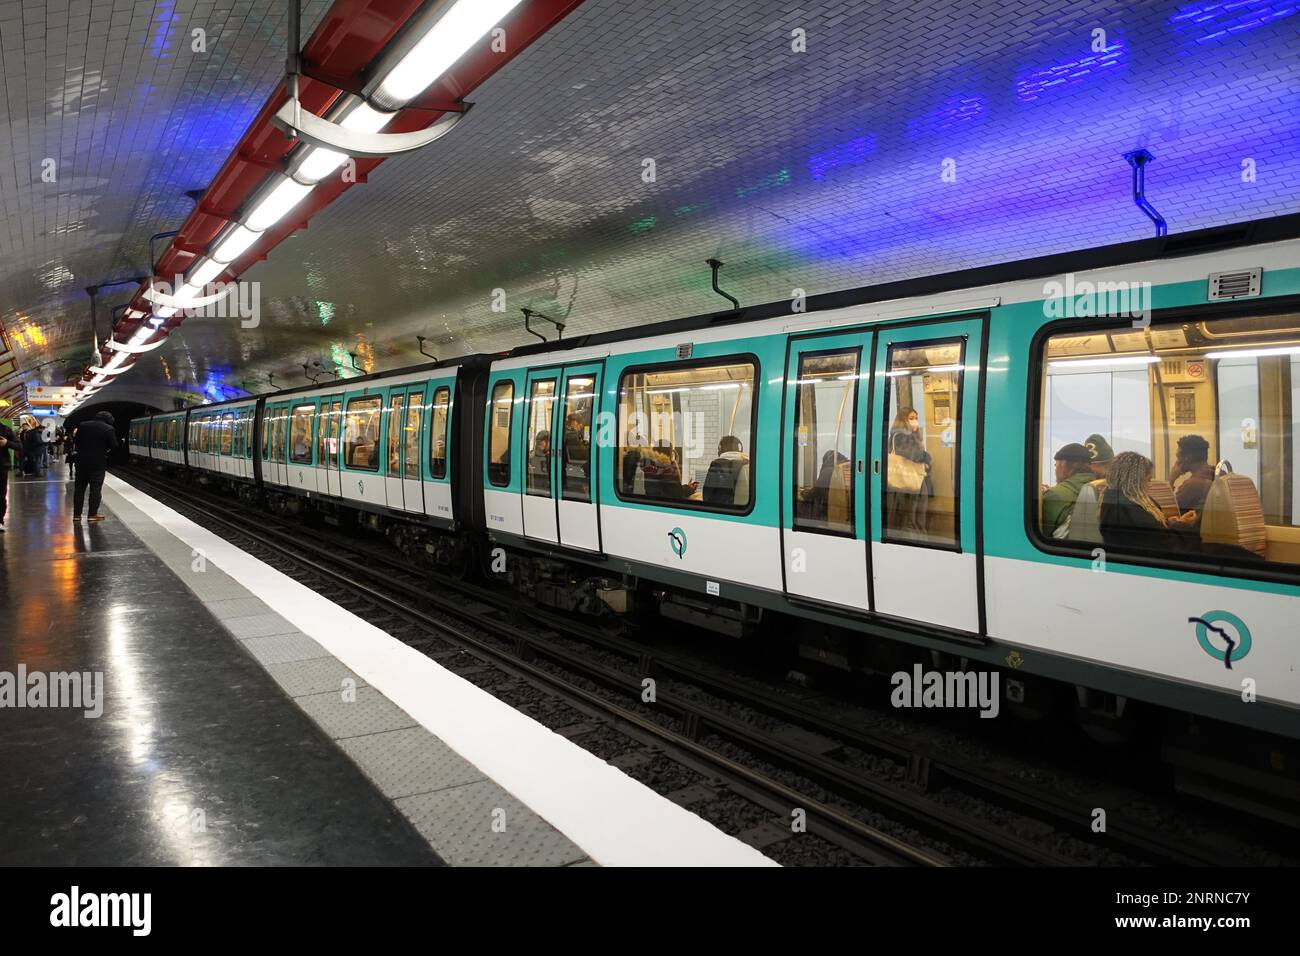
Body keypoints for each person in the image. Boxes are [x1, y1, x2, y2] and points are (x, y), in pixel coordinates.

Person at [1099, 451, 1197, 552]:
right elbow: (1165, 545)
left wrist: (1168, 523)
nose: (1150, 485)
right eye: (1148, 480)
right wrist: (1183, 525)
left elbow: (1151, 533)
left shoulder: (1114, 498)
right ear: (1135, 481)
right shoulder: (1128, 510)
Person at [887, 405, 932, 535]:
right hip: (905, 483)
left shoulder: (909, 435)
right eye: (911, 418)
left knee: (916, 515)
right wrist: (925, 457)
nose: (915, 421)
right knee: (910, 517)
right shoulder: (900, 436)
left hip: (912, 480)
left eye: (916, 418)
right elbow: (913, 454)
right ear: (903, 420)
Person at [73, 410, 119, 522]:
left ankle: (77, 515)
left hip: (81, 462)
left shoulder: (82, 425)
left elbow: (76, 441)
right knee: (95, 489)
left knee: (79, 489)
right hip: (97, 463)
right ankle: (92, 515)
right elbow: (114, 446)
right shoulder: (108, 428)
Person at [1042, 442, 1095, 537]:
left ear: (1063, 464)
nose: (1055, 469)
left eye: (1056, 465)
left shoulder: (1054, 495)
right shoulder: (1099, 486)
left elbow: (1042, 533)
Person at [1170, 434, 1215, 516]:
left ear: (1187, 458)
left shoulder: (1192, 485)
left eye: (1178, 456)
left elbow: (1169, 512)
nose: (1177, 461)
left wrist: (1171, 479)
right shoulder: (1220, 474)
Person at [701, 435, 750, 506]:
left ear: (721, 449)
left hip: (721, 509)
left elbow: (707, 495)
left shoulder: (716, 465)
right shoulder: (747, 463)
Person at [0, 418, 19, 532]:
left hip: (1, 467)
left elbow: (19, 446)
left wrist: (6, 443)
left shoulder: (5, 429)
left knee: (1, 496)